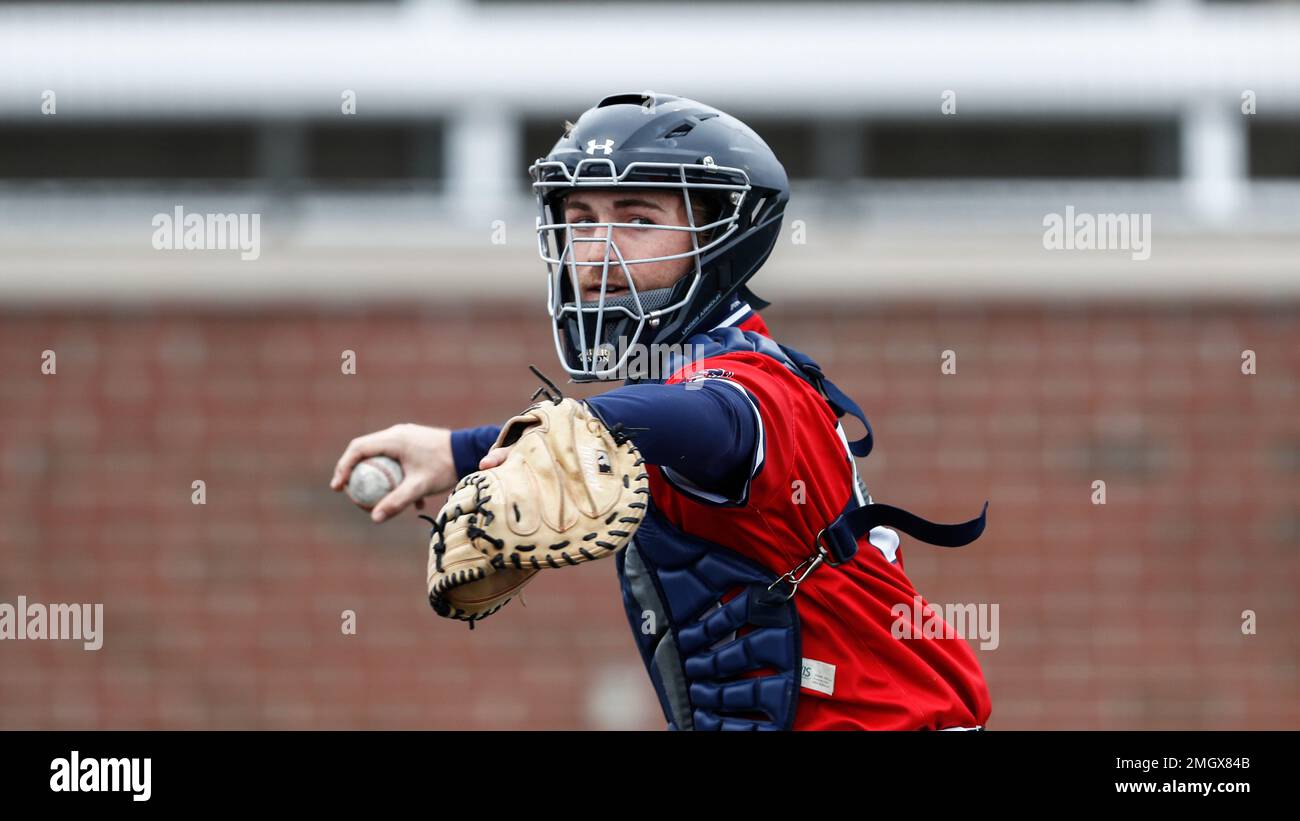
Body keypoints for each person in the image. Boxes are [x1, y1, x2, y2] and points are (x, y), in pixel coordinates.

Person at [331, 92, 992, 730]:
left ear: (717, 237)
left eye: (637, 219)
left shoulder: (754, 382)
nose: (596, 251)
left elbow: (711, 422)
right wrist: (456, 451)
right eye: (582, 219)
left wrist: (585, 426)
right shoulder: (690, 368)